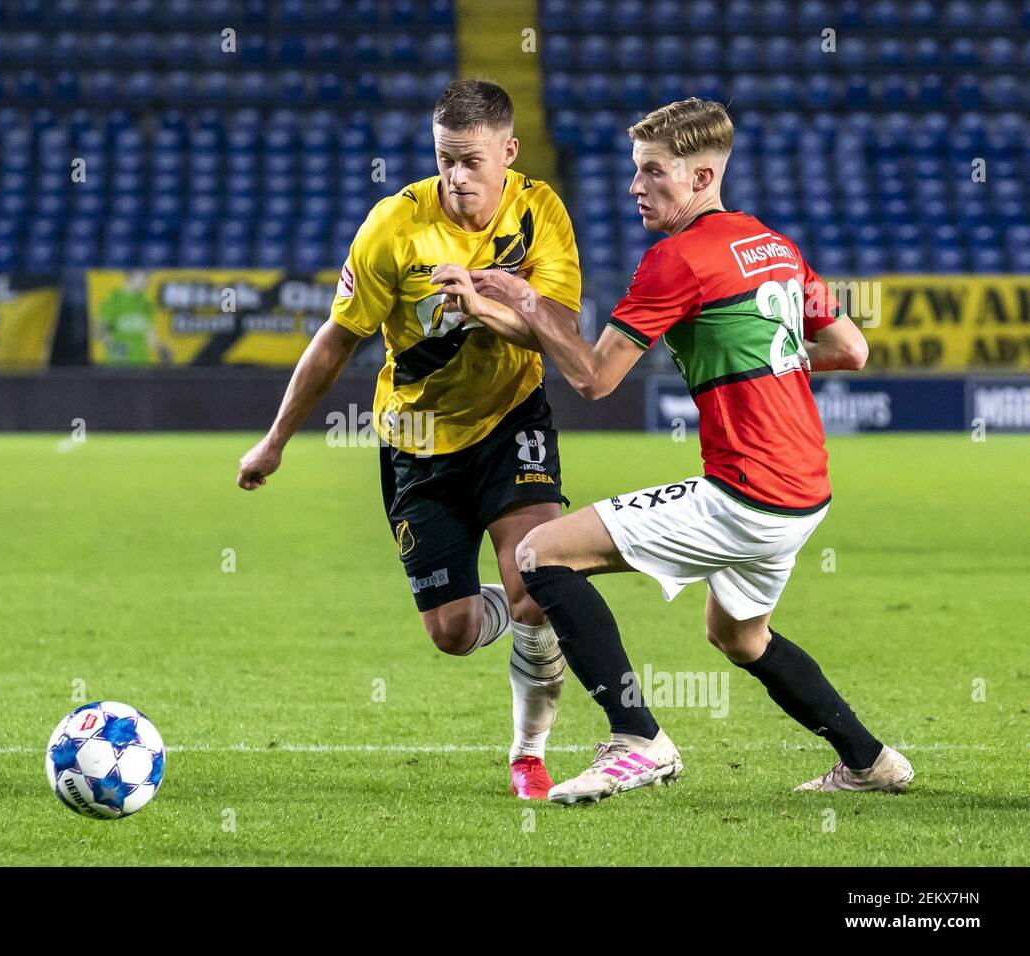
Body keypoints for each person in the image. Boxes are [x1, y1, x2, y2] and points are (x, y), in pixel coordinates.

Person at [437, 97, 912, 803]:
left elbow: (593, 378)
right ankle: (871, 762)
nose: (636, 187)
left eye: (652, 172)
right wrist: (499, 313)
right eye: (635, 172)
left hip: (748, 491)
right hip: (804, 489)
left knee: (541, 554)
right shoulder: (773, 246)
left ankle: (637, 740)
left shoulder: (678, 260)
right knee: (741, 638)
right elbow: (851, 348)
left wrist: (528, 301)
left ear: (701, 177)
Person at [237, 79, 584, 798]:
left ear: (508, 152)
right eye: (445, 159)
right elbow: (337, 342)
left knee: (539, 584)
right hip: (417, 439)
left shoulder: (540, 210)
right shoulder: (392, 227)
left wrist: (484, 305)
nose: (457, 176)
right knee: (453, 632)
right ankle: (500, 599)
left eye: (472, 161)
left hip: (511, 420)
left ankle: (528, 754)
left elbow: (562, 335)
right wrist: (274, 442)